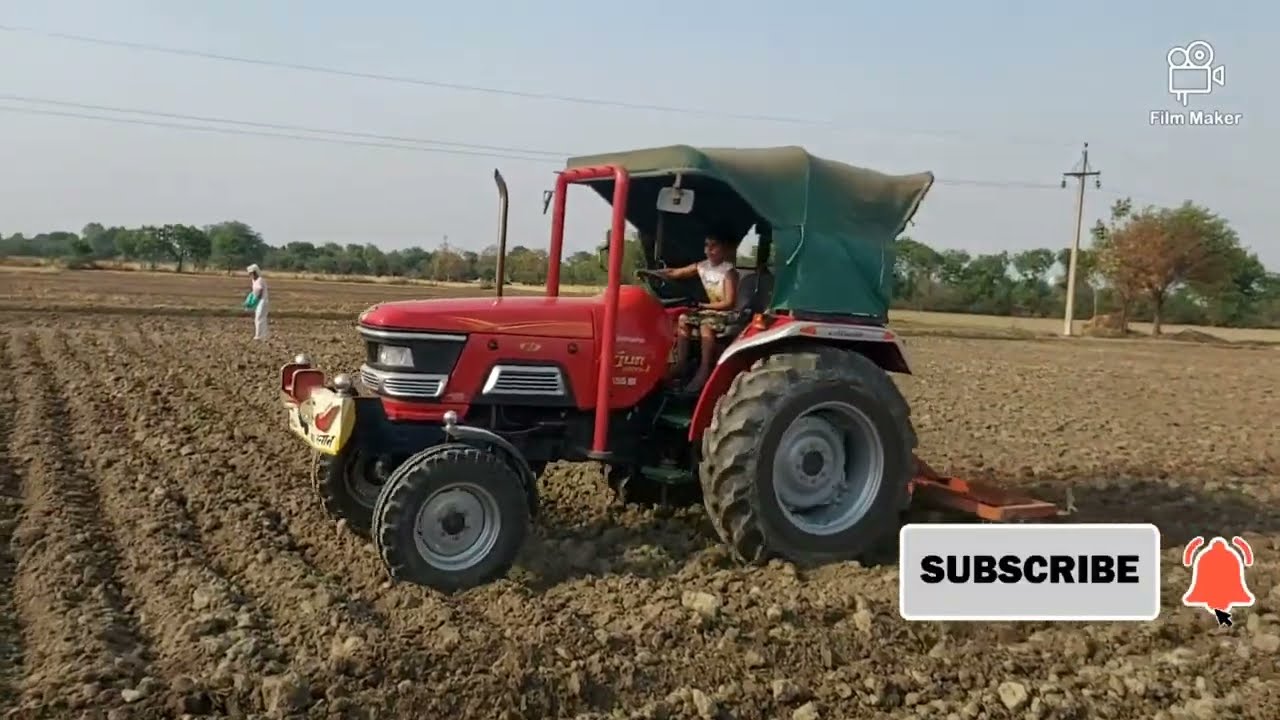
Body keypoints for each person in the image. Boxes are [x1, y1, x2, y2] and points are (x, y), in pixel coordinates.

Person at [648, 232, 740, 392]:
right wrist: (656, 273)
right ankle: (681, 363)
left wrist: (704, 306)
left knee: (705, 324)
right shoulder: (702, 266)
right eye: (706, 246)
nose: (708, 250)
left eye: (713, 247)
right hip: (708, 311)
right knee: (683, 318)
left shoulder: (728, 272)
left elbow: (729, 302)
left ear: (723, 249)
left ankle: (704, 369)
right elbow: (676, 273)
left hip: (725, 313)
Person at [244, 264, 269, 340]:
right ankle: (263, 335)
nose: (250, 275)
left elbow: (260, 291)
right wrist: (249, 299)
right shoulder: (254, 281)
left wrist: (254, 301)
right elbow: (254, 291)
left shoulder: (260, 280)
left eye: (251, 273)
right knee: (260, 318)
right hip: (259, 301)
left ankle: (259, 335)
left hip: (262, 300)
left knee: (259, 317)